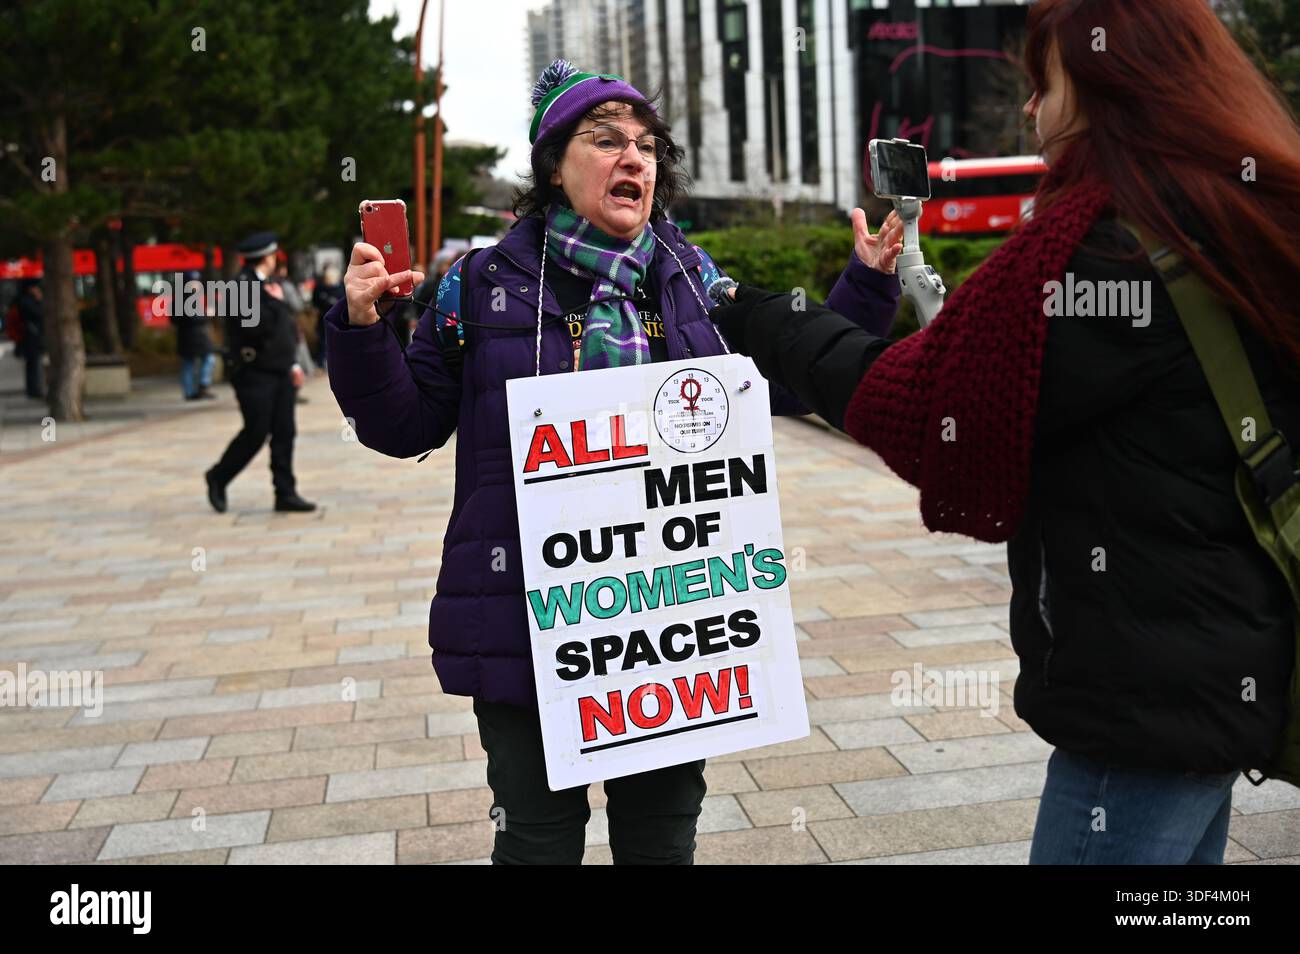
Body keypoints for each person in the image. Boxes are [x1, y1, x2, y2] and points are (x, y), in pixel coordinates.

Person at [706, 0, 1300, 865]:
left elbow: (919, 403)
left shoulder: (1106, 254)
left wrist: (758, 313)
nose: (1029, 111)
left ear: (1104, 86)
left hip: (1147, 696)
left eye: (1043, 84)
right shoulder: (1238, 220)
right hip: (1226, 661)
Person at [324, 59, 903, 865]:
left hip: (666, 630)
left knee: (661, 841)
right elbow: (400, 423)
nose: (634, 158)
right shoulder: (481, 283)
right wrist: (360, 328)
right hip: (526, 622)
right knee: (537, 841)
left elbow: (770, 389)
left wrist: (866, 287)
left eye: (646, 145)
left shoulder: (692, 280)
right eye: (605, 141)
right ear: (554, 167)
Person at [205, 232, 316, 514]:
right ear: (268, 257)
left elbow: (284, 333)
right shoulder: (240, 287)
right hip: (253, 373)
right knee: (256, 431)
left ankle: (285, 492)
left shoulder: (269, 286)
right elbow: (255, 329)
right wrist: (277, 304)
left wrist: (292, 364)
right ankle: (218, 476)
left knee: (284, 432)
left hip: (279, 370)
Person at [173, 270, 217, 400]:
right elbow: (193, 318)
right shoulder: (189, 298)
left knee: (189, 363)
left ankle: (190, 391)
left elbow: (174, 319)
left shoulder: (179, 299)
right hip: (196, 337)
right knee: (208, 358)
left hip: (186, 337)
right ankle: (202, 386)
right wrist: (206, 315)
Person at [15, 280, 44, 399]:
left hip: (30, 336)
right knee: (34, 364)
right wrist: (39, 300)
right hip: (31, 337)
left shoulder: (23, 300)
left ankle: (33, 389)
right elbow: (39, 313)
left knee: (32, 365)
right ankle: (34, 390)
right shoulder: (27, 301)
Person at [311, 264, 345, 368]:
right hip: (324, 320)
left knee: (335, 341)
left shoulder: (340, 287)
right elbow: (315, 303)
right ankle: (322, 362)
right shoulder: (320, 288)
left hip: (337, 320)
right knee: (324, 341)